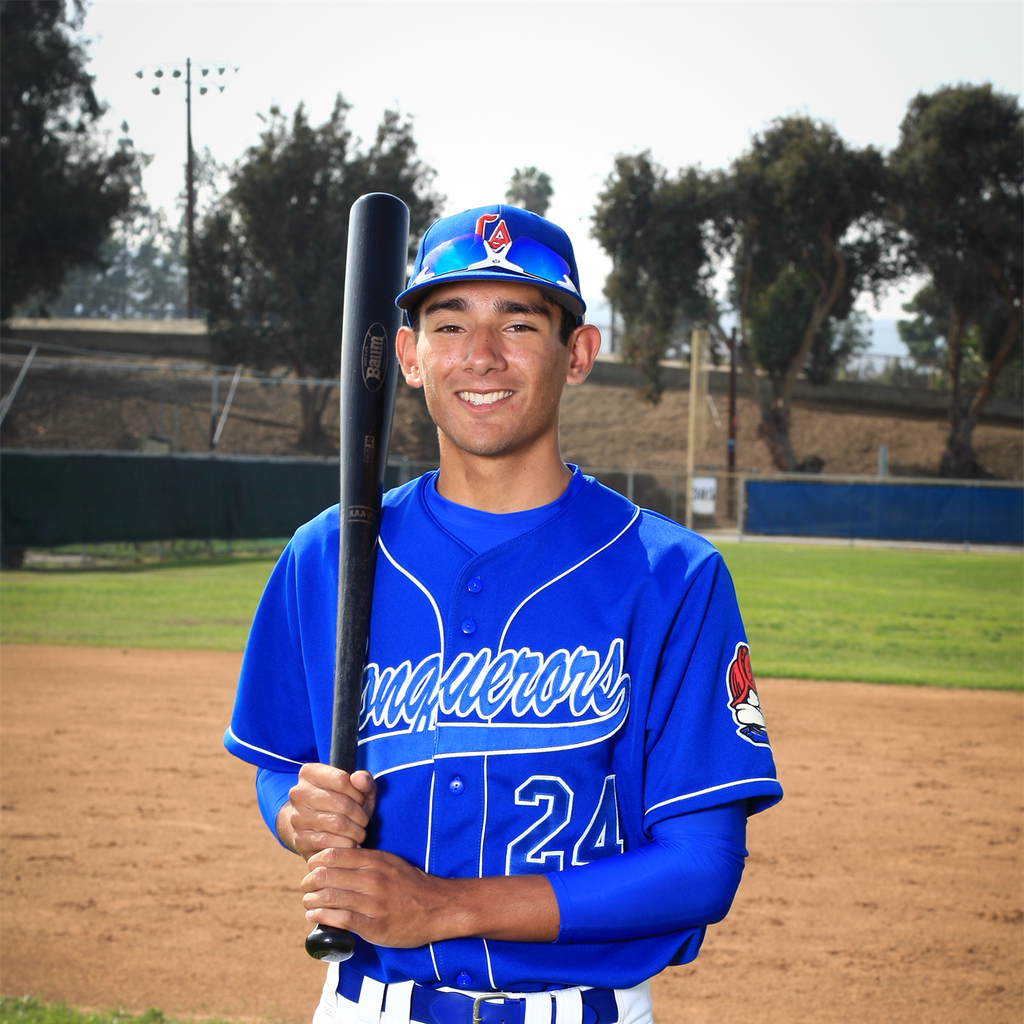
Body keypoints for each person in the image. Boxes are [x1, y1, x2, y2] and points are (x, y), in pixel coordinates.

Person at [224, 205, 782, 1024]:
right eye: (449, 325)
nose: (480, 356)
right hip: (364, 1004)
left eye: (519, 323)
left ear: (578, 353)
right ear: (408, 356)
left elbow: (703, 865)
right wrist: (297, 810)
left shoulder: (671, 574)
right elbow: (283, 765)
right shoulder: (329, 555)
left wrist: (449, 907)